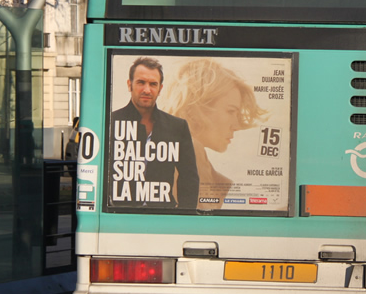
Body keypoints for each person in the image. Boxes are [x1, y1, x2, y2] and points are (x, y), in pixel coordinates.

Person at [162, 58, 267, 207]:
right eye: (231, 111)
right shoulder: (191, 149)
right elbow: (201, 218)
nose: (237, 126)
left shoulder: (163, 146)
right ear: (194, 109)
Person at [110, 57, 199, 209]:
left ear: (160, 88)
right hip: (120, 214)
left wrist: (185, 215)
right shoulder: (111, 122)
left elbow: (189, 176)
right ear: (129, 84)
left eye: (153, 84)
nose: (147, 90)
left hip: (163, 214)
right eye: (141, 82)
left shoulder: (177, 126)